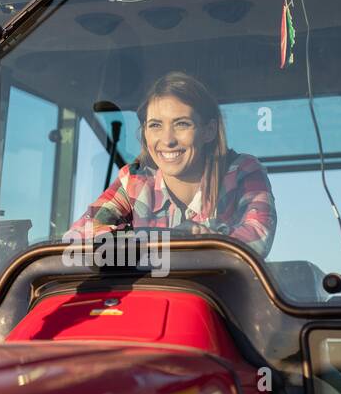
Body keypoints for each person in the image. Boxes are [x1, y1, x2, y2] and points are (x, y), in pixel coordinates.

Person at [67, 72, 276, 258]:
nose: (167, 140)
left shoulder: (242, 172)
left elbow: (257, 238)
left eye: (182, 124)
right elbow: (80, 234)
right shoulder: (134, 181)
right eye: (155, 125)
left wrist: (201, 235)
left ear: (209, 131)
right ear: (145, 133)